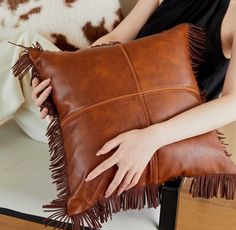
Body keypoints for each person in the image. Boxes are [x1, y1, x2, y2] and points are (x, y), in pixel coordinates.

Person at [12, 0, 236, 197]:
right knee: (26, 57)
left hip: (141, 132)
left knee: (22, 50)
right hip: (101, 103)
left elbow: (232, 102)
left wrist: (152, 138)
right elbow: (117, 38)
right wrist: (65, 78)